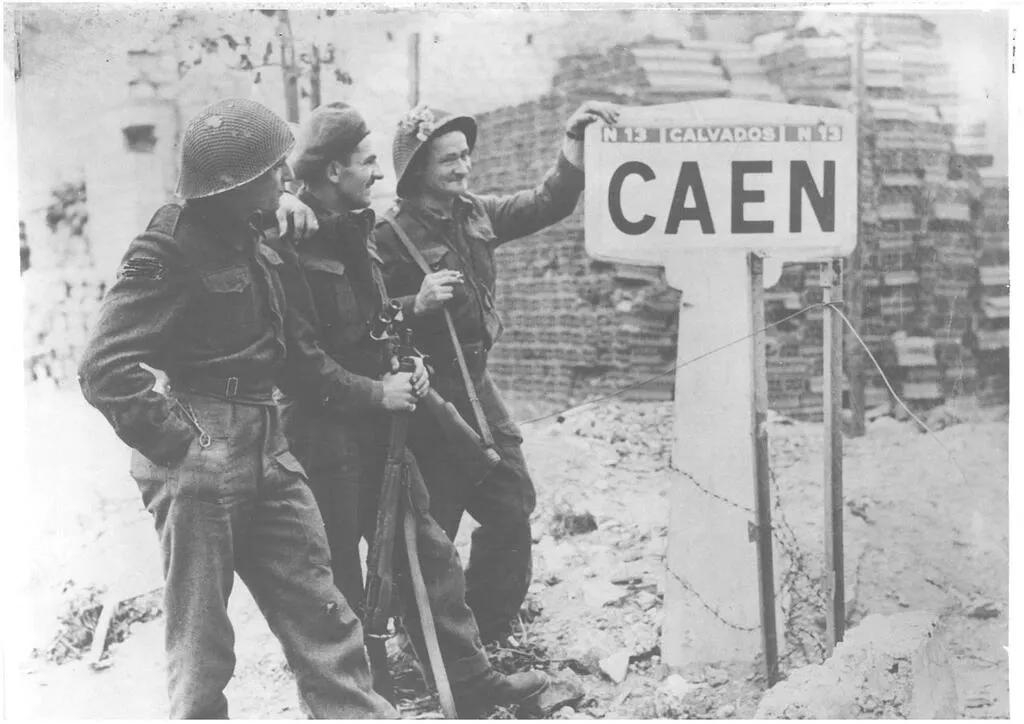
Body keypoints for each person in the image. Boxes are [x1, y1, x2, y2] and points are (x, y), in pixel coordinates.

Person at [77, 98, 398, 720]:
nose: (287, 176)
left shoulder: (253, 227)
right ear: (235, 182)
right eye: (275, 169)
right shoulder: (167, 247)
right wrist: (178, 444)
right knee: (202, 642)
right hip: (202, 446)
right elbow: (103, 368)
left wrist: (289, 206)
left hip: (267, 439)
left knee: (322, 612)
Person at [280, 101, 549, 717]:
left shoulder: (356, 230)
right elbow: (300, 361)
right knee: (341, 572)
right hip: (324, 434)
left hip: (384, 424)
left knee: (428, 552)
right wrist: (376, 391)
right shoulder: (290, 240)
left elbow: (374, 318)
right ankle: (363, 696)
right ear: (331, 172)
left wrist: (404, 355)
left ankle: (468, 684)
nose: (379, 173)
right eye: (367, 162)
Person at [374, 100, 619, 644]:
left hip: (476, 386)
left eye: (465, 156)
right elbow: (357, 317)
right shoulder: (385, 235)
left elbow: (547, 202)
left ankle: (487, 628)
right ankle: (428, 639)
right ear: (417, 170)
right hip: (425, 397)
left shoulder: (475, 214)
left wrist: (572, 144)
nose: (463, 168)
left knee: (510, 502)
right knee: (435, 521)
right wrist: (414, 305)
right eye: (449, 160)